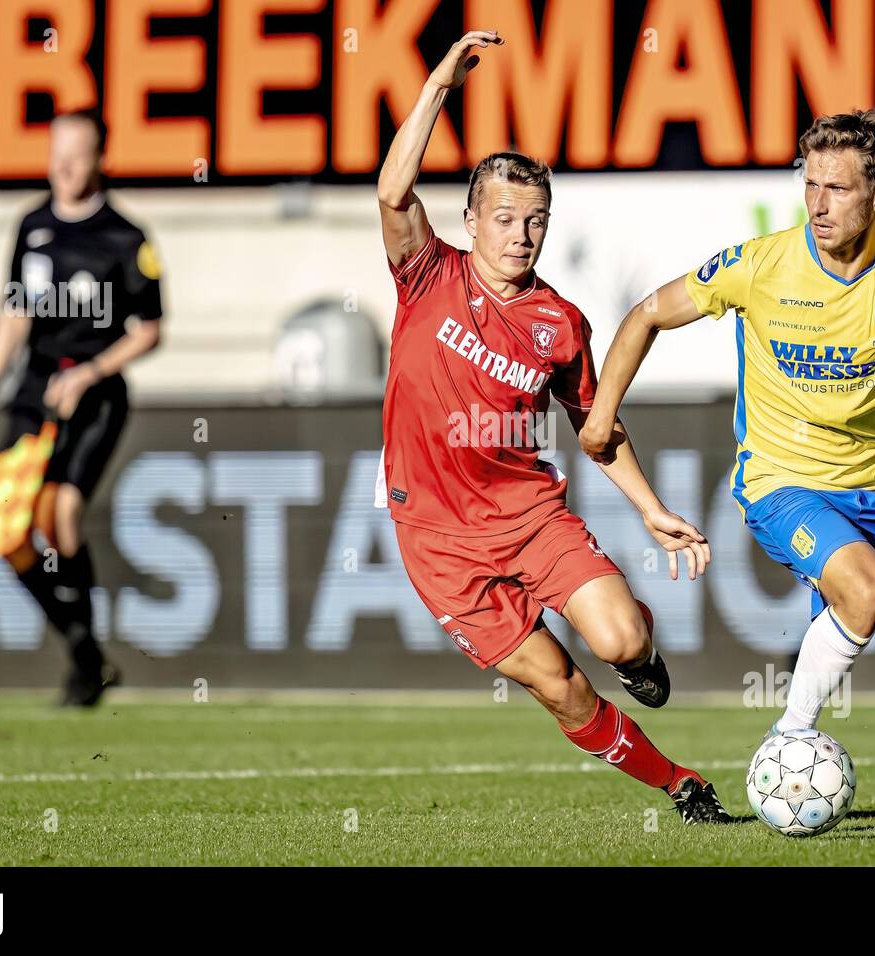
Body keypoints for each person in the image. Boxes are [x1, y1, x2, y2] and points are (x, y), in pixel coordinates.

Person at [581, 109, 875, 827]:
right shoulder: (760, 264)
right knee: (864, 589)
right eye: (810, 184)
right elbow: (646, 313)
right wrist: (600, 414)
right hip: (782, 482)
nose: (819, 203)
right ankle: (789, 740)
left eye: (837, 187)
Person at [377, 31, 727, 823]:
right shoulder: (427, 274)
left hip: (530, 517)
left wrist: (650, 509)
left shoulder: (560, 323)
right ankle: (678, 782)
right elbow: (394, 195)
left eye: (535, 219)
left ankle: (644, 655)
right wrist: (438, 85)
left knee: (618, 644)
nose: (520, 235)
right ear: (469, 219)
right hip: (436, 540)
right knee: (559, 685)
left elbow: (595, 425)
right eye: (503, 217)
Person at [0, 109, 163, 706]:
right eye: (56, 154)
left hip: (94, 394)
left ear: (101, 159)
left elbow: (150, 330)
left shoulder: (127, 237)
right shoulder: (32, 225)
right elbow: (14, 313)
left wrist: (90, 372)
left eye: (77, 154)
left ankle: (85, 665)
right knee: (5, 530)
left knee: (62, 512)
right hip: (34, 391)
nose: (64, 167)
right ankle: (86, 654)